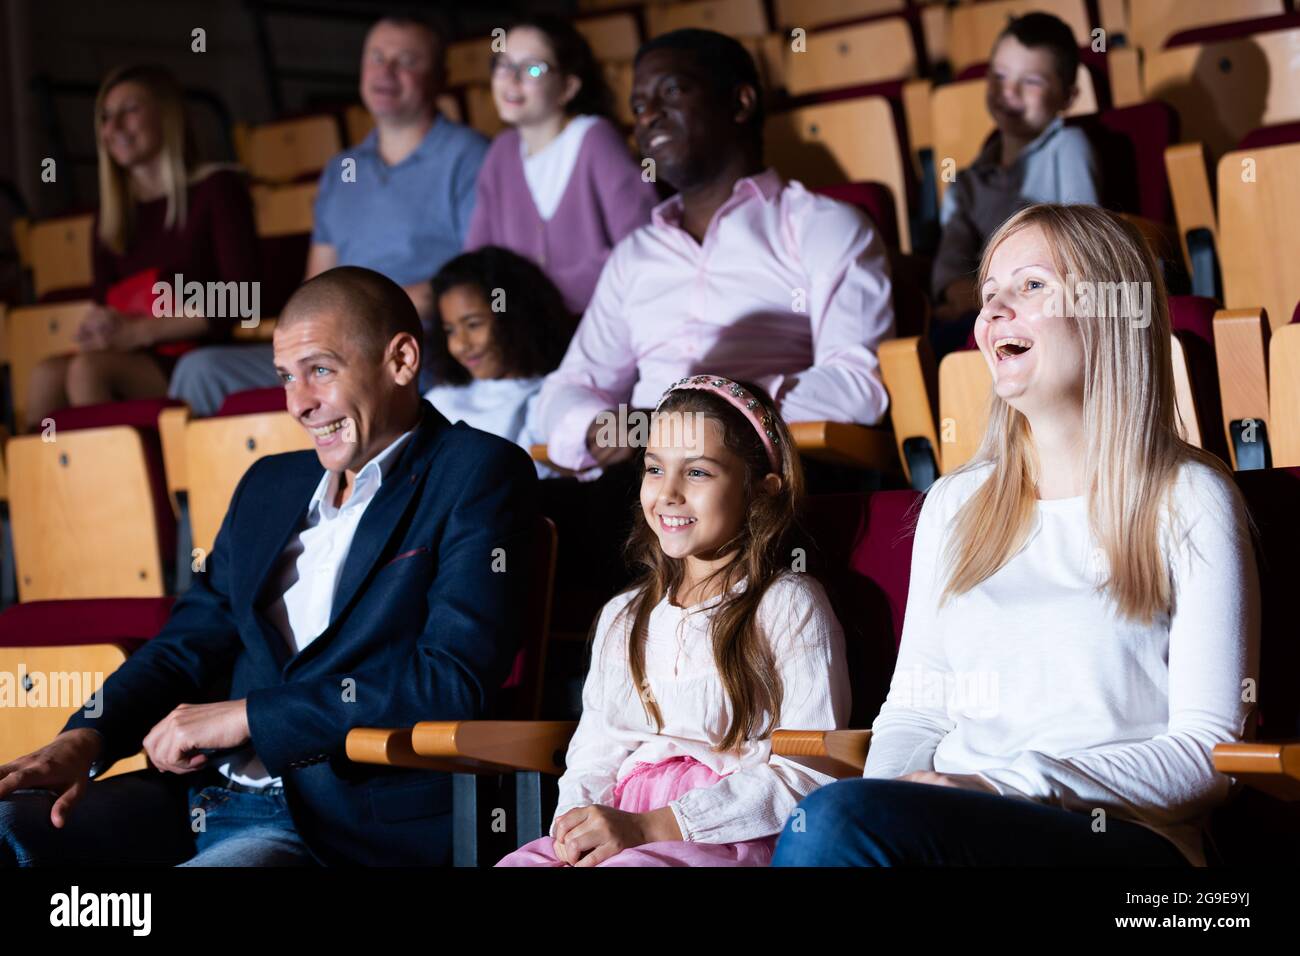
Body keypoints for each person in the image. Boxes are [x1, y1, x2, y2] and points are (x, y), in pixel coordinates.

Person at [0, 266, 539, 866]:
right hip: (199, 796)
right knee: (7, 824)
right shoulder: (268, 484)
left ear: (402, 361)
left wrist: (250, 717)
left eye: (320, 371)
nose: (297, 404)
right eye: (286, 377)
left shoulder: (477, 472)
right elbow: (186, 644)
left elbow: (450, 682)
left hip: (337, 823)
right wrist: (88, 738)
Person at [772, 204, 1259, 867]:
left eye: (1030, 286)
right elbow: (915, 714)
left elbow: (1207, 754)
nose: (994, 310)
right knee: (834, 821)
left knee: (832, 822)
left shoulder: (1190, 497)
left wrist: (1003, 783)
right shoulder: (956, 503)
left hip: (1122, 838)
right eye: (989, 294)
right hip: (957, 828)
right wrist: (892, 802)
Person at [498, 376, 849, 866]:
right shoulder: (625, 616)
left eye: (699, 473)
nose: (668, 493)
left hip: (724, 834)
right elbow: (595, 752)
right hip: (621, 824)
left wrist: (651, 826)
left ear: (761, 492)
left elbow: (811, 770)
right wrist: (579, 823)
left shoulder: (787, 604)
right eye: (655, 468)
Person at [534, 28, 894, 477]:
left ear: (740, 103)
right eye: (639, 106)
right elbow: (567, 388)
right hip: (637, 481)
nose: (649, 117)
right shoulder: (635, 255)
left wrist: (710, 414)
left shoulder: (824, 226)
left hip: (764, 473)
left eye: (672, 92)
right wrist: (597, 427)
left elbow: (859, 384)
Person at [169, 15, 489, 415]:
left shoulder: (470, 155)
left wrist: (357, 320)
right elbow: (315, 283)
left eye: (406, 61)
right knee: (201, 370)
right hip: (330, 345)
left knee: (352, 373)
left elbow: (472, 282)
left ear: (440, 77)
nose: (385, 72)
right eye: (376, 58)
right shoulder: (342, 169)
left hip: (410, 347)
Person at [25, 64, 258, 429]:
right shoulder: (111, 214)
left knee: (89, 370)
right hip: (131, 351)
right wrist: (98, 328)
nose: (113, 128)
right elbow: (104, 302)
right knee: (44, 374)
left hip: (193, 352)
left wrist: (142, 330)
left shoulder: (218, 189)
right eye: (105, 117)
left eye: (129, 111)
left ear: (166, 116)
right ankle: (48, 483)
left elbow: (242, 298)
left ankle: (127, 482)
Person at [930, 12, 1100, 358]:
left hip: (1052, 305)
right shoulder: (967, 182)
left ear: (1068, 96)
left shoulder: (1069, 147)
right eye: (999, 76)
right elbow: (952, 257)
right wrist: (958, 292)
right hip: (981, 310)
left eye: (1032, 81)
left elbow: (1084, 244)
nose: (1009, 91)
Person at [465, 14, 659, 314]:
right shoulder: (501, 152)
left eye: (532, 68)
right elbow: (478, 260)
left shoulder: (596, 139)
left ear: (568, 87)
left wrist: (535, 297)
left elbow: (640, 244)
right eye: (504, 65)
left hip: (603, 325)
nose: (511, 80)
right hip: (528, 337)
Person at [424, 246, 573, 465]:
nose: (460, 344)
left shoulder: (548, 399)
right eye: (450, 330)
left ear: (513, 318)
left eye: (473, 325)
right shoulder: (438, 400)